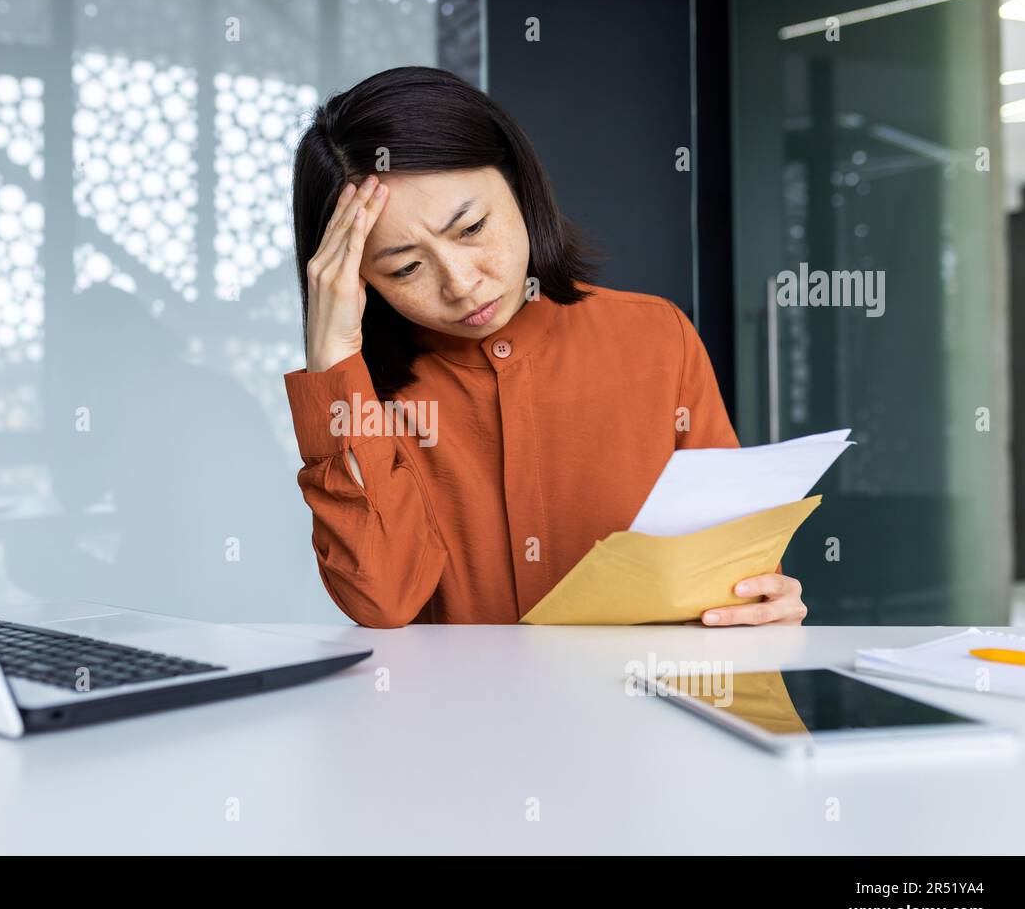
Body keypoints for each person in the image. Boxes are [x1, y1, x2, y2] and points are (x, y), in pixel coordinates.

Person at [283, 66, 806, 629]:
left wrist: (762, 601)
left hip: (638, 710)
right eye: (406, 267)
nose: (461, 282)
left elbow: (730, 572)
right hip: (452, 716)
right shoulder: (366, 398)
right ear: (357, 280)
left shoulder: (657, 338)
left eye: (472, 228)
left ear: (517, 181)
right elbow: (382, 600)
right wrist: (334, 357)